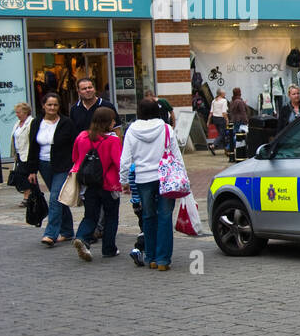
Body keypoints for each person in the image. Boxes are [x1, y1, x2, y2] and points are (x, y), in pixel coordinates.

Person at [120, 98, 186, 271]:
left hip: (143, 178)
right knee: (165, 217)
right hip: (166, 178)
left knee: (148, 216)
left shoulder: (132, 130)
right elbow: (176, 155)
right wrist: (183, 177)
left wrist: (124, 180)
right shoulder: (166, 128)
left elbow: (125, 159)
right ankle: (163, 259)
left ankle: (151, 257)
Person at [71, 106, 123, 261]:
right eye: (113, 119)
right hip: (109, 184)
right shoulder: (112, 140)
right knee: (111, 216)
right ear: (107, 122)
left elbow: (75, 157)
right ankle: (109, 248)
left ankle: (82, 238)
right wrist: (126, 181)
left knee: (90, 215)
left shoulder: (82, 137)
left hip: (88, 183)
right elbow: (119, 162)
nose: (114, 122)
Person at [29, 93, 76, 245]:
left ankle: (50, 234)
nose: (52, 108)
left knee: (55, 198)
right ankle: (68, 231)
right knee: (60, 199)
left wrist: (75, 164)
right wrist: (31, 170)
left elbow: (74, 144)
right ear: (43, 106)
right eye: (49, 105)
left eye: (55, 105)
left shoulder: (66, 122)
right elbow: (33, 146)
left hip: (63, 165)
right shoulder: (36, 122)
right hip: (44, 164)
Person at [8, 101, 35, 202]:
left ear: (25, 112)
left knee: (25, 175)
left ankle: (27, 197)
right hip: (19, 154)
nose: (17, 114)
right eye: (16, 112)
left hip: (28, 153)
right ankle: (30, 195)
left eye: (19, 112)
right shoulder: (17, 124)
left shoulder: (31, 122)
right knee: (21, 175)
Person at [228, 87, 251, 161]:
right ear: (239, 93)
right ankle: (229, 147)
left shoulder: (232, 101)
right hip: (240, 120)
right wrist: (246, 121)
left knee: (235, 133)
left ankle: (230, 148)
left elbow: (231, 111)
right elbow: (243, 112)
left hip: (234, 120)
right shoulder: (239, 102)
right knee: (238, 136)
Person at [209, 87, 229, 153]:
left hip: (215, 119)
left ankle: (226, 149)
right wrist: (227, 119)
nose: (225, 93)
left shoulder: (214, 101)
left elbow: (211, 112)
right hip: (221, 119)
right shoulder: (224, 101)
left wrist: (208, 121)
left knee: (221, 134)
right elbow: (224, 112)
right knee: (221, 134)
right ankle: (213, 145)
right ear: (221, 93)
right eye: (224, 92)